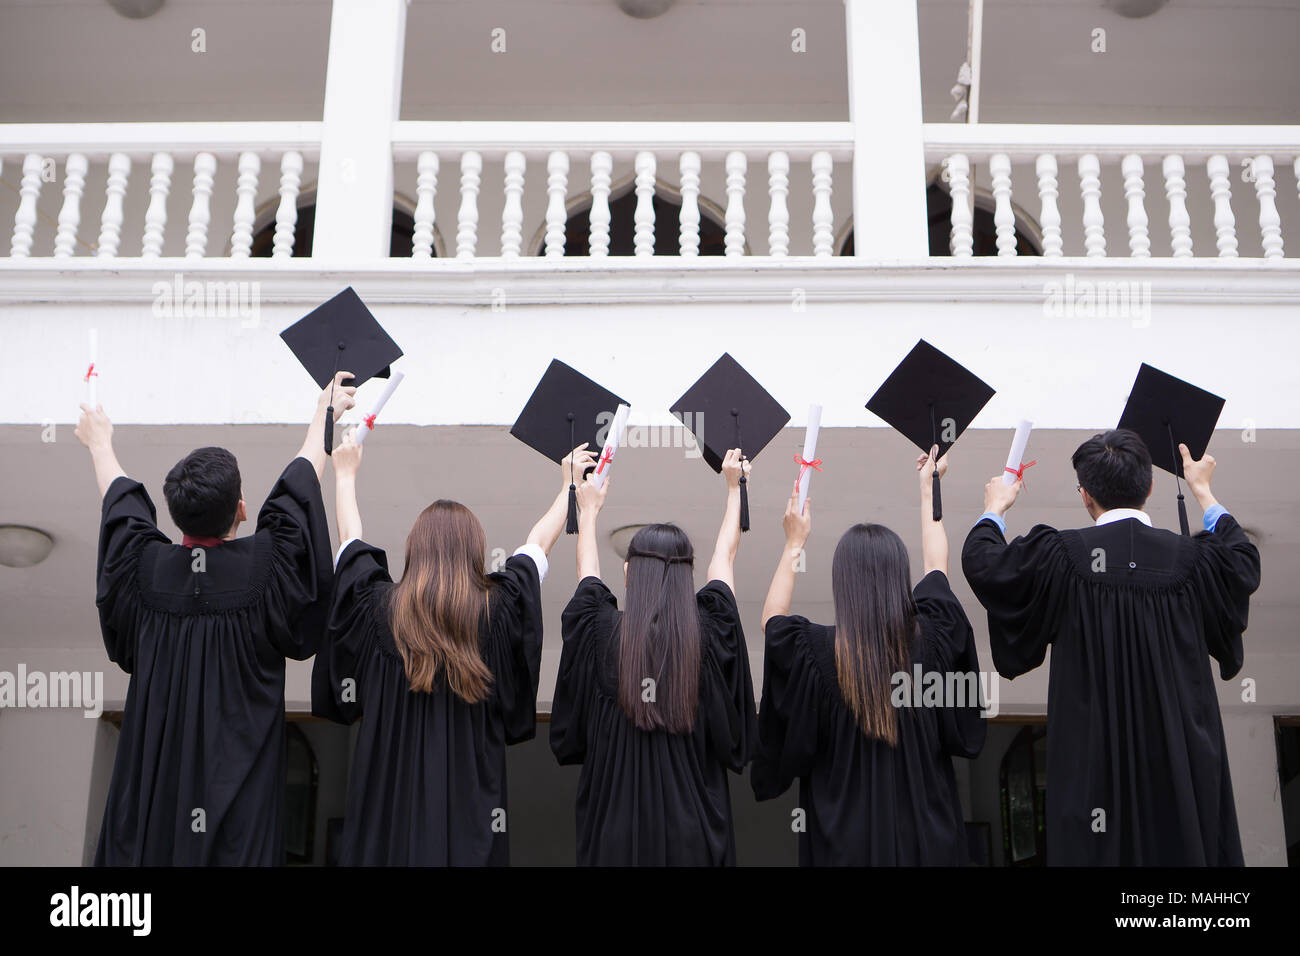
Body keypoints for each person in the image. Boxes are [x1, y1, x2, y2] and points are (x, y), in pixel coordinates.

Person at [78, 371, 356, 865]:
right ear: (242, 510)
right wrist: (322, 418)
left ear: (177, 516)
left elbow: (120, 506)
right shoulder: (266, 571)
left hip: (149, 826)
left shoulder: (143, 572)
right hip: (238, 823)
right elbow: (296, 493)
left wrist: (100, 442)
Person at [962, 429, 1261, 865]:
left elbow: (985, 564)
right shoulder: (1194, 561)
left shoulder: (1062, 557)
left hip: (1091, 765)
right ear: (1152, 486)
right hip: (1180, 765)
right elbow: (1243, 562)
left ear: (1085, 496)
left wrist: (995, 508)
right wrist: (1203, 491)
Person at [312, 432, 592, 865]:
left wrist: (345, 474)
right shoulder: (499, 610)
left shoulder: (374, 607)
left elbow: (350, 547)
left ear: (414, 550)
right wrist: (567, 487)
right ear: (475, 551)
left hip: (388, 827)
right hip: (471, 827)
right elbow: (536, 548)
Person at [751, 446, 986, 865]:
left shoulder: (815, 654)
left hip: (845, 851)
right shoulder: (935, 640)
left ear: (842, 583)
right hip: (929, 849)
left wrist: (794, 541)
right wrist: (929, 488)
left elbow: (772, 621)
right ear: (901, 576)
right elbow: (937, 565)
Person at [550, 449, 757, 865]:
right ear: (687, 575)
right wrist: (734, 489)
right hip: (693, 841)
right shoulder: (711, 633)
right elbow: (725, 559)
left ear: (628, 573)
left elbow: (587, 576)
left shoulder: (598, 631)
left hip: (615, 841)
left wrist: (587, 510)